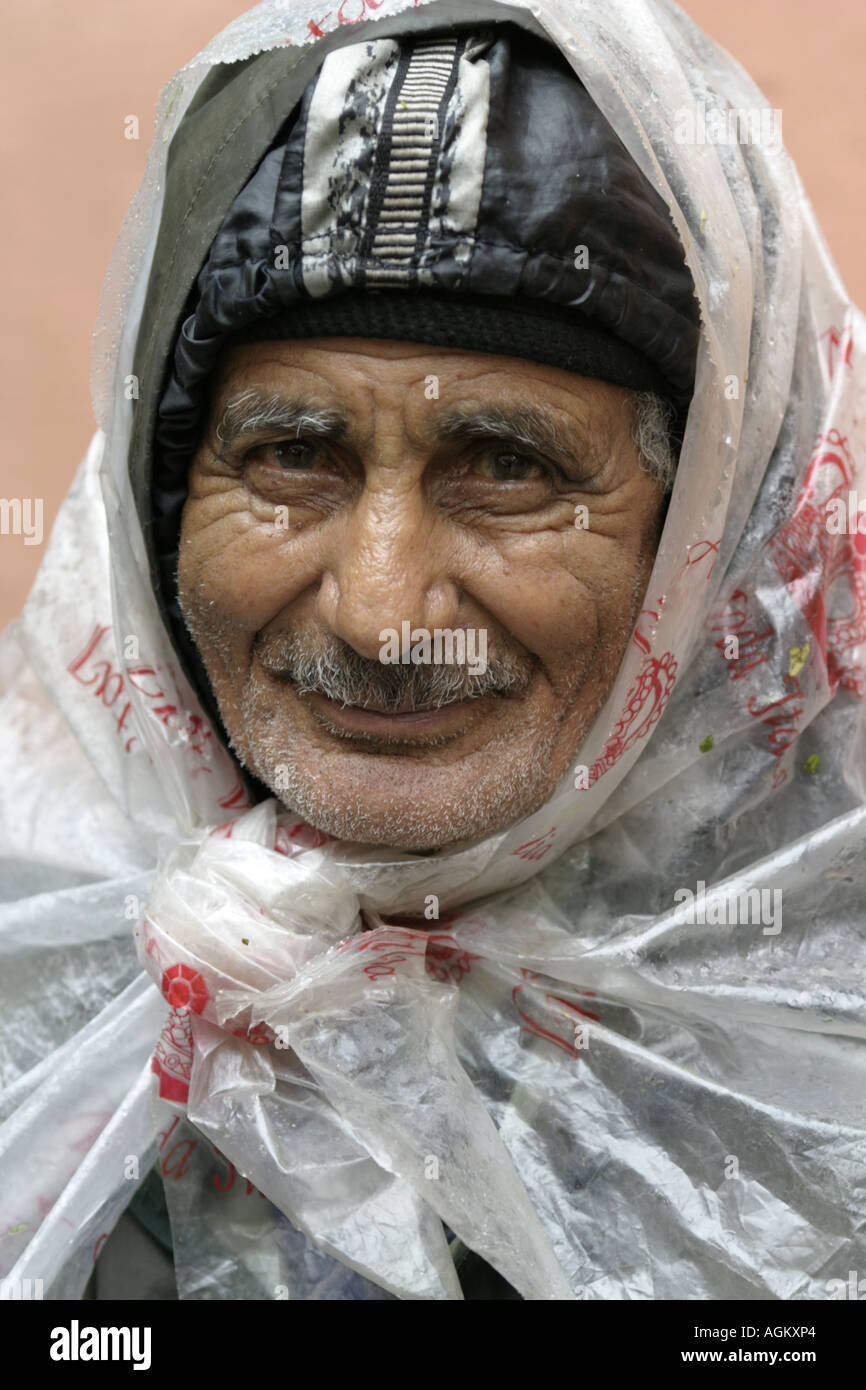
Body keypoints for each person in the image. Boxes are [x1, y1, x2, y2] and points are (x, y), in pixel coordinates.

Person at [1, 0, 864, 1303]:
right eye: (292, 455)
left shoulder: (821, 1048)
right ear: (157, 521)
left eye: (507, 467)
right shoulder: (38, 963)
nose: (374, 608)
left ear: (714, 545)